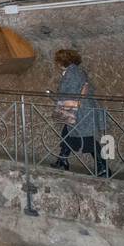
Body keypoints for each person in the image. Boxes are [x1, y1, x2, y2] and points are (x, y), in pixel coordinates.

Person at [49, 49, 108, 177]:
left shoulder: (72, 73)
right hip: (78, 110)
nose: (56, 63)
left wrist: (53, 96)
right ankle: (62, 160)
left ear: (62, 61)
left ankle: (103, 168)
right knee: (67, 134)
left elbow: (67, 94)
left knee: (88, 140)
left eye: (57, 60)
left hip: (80, 112)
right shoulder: (75, 71)